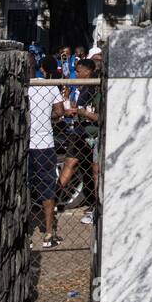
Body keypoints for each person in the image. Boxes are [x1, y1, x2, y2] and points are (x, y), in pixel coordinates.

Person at [53, 58, 101, 226]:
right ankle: (54, 198)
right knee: (69, 164)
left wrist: (80, 111)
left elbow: (98, 116)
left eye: (79, 71)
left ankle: (96, 207)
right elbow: (81, 110)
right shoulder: (82, 89)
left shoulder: (97, 89)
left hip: (94, 137)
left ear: (88, 72)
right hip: (79, 134)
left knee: (95, 172)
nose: (76, 74)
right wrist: (74, 107)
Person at [27, 72, 61, 248]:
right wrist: (46, 117)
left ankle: (26, 235)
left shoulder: (23, 85)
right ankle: (48, 232)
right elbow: (59, 111)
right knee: (47, 187)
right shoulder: (51, 84)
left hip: (26, 142)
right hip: (45, 143)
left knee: (25, 187)